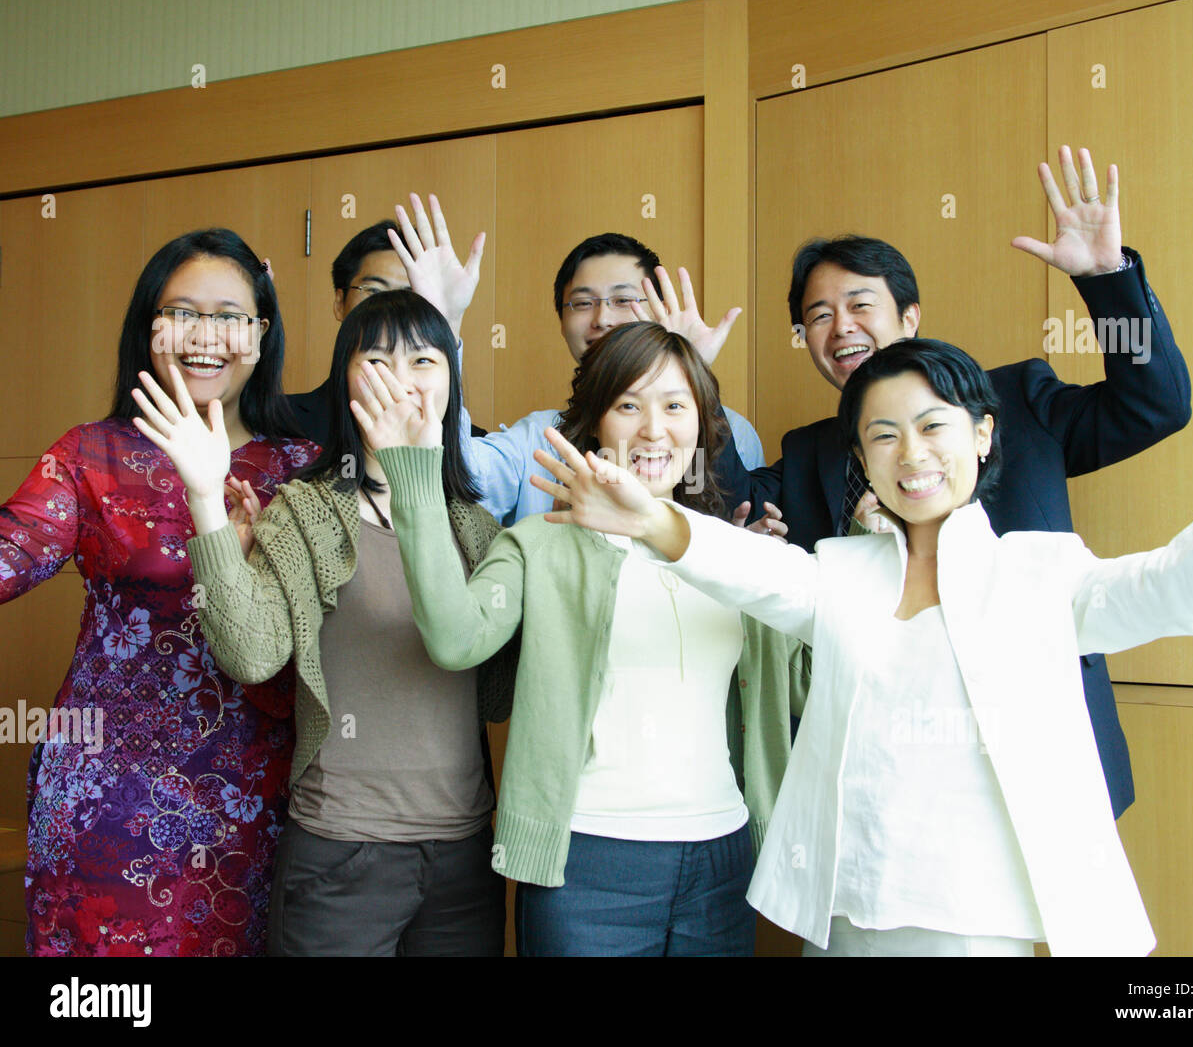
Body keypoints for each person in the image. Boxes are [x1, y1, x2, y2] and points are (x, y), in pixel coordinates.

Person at [539, 337, 1193, 957]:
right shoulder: (840, 574)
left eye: (933, 425)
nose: (912, 453)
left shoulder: (1038, 575)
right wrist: (651, 521)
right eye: (883, 434)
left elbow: (1177, 585)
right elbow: (750, 568)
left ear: (982, 433)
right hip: (841, 917)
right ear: (862, 461)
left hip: (971, 924)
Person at [727, 147, 1192, 816]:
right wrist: (682, 378)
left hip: (1038, 733)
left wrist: (1106, 282)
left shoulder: (1016, 401)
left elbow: (1157, 405)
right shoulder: (808, 454)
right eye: (818, 315)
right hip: (885, 762)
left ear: (909, 318)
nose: (840, 327)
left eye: (860, 303)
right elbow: (725, 501)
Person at [367, 321, 808, 956]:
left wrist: (879, 537)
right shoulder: (539, 544)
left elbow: (804, 687)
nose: (653, 430)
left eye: (675, 405)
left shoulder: (732, 555)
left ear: (704, 426)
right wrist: (413, 476)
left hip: (722, 858)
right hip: (586, 863)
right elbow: (456, 639)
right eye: (628, 404)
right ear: (596, 421)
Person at [134, 290, 517, 956]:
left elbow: (501, 685)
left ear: (452, 382)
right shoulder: (305, 510)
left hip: (463, 854)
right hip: (341, 849)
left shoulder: (481, 528)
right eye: (377, 358)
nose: (401, 379)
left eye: (424, 359)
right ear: (344, 380)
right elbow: (252, 653)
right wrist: (205, 499)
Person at [2, 228, 314, 956]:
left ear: (261, 335)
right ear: (151, 327)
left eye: (231, 315)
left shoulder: (302, 467)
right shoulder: (92, 454)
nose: (207, 336)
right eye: (183, 312)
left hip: (256, 794)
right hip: (105, 793)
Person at [463, 232, 765, 526]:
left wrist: (690, 369)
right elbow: (457, 479)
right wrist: (441, 329)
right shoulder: (538, 438)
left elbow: (737, 515)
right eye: (582, 303)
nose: (602, 318)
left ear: (659, 309)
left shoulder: (731, 430)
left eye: (623, 300)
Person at [288, 197, 489, 446]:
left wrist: (447, 319)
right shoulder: (282, 423)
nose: (390, 309)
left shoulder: (473, 444)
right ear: (339, 302)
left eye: (409, 294)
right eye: (374, 291)